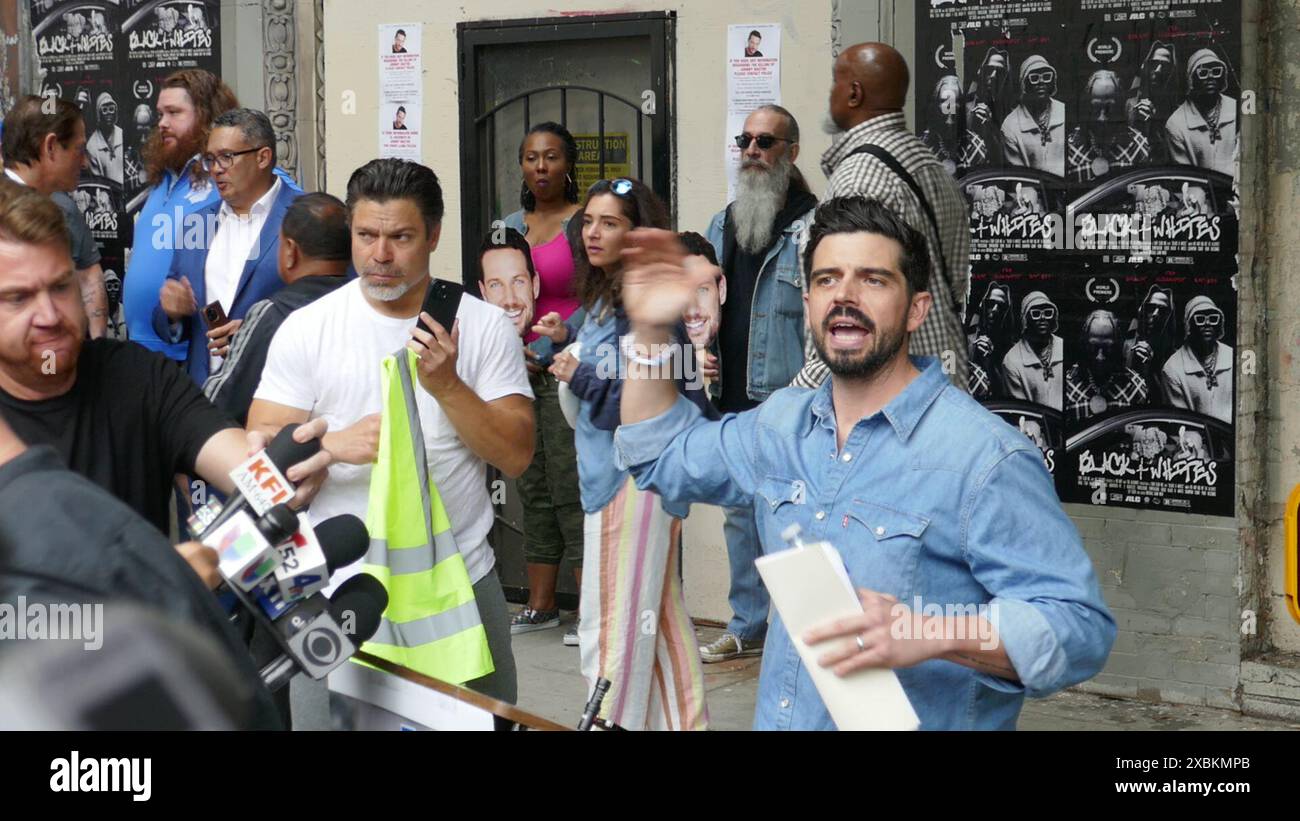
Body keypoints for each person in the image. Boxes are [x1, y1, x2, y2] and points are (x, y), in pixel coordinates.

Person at [611, 196, 1115, 730]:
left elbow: (1079, 628)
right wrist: (647, 328)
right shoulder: (780, 426)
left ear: (916, 309)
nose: (845, 296)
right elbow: (658, 456)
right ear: (807, 303)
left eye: (872, 280)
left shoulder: (983, 457)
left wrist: (929, 633)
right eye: (828, 279)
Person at [247, 158, 534, 704]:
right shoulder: (308, 328)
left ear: (433, 236)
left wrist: (448, 385)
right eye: (365, 235)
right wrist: (330, 446)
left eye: (400, 237)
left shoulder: (483, 326)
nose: (380, 255)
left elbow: (516, 455)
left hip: (457, 581)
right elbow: (256, 450)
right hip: (330, 584)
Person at [0, 178, 330, 537]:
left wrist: (282, 476)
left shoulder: (138, 376)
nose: (49, 315)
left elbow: (241, 464)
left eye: (60, 286)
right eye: (18, 298)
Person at [548, 177, 712, 730]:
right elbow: (590, 341)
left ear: (636, 233)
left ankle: (605, 724)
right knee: (657, 621)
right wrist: (558, 333)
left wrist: (583, 375)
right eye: (589, 221)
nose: (593, 232)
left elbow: (643, 399)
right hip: (619, 480)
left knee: (612, 623)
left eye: (610, 223)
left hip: (632, 483)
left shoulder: (646, 307)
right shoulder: (603, 297)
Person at [698, 104, 817, 664]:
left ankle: (804, 632)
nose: (751, 151)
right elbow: (694, 307)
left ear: (791, 153)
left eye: (765, 142)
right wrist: (700, 354)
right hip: (733, 404)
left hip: (794, 403)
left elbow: (828, 320)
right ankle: (747, 625)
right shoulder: (720, 225)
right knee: (739, 519)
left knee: (797, 519)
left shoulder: (815, 228)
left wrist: (805, 390)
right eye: (744, 139)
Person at [794, 42, 970, 391]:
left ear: (854, 93)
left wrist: (797, 401)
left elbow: (846, 314)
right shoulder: (926, 163)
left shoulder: (861, 176)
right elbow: (956, 282)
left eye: (835, 83)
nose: (831, 93)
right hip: (939, 379)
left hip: (881, 394)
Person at [123, 69, 300, 360]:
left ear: (205, 115)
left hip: (247, 363)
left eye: (174, 112)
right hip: (162, 354)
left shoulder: (259, 186)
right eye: (160, 114)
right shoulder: (165, 182)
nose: (162, 124)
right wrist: (171, 313)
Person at [501, 122, 585, 643]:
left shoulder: (584, 224)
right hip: (517, 371)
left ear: (568, 164)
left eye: (551, 157)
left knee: (570, 487)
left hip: (566, 370)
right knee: (530, 487)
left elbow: (597, 295)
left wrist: (556, 345)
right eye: (531, 158)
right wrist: (509, 352)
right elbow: (493, 294)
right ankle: (540, 605)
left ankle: (587, 607)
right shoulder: (509, 225)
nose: (541, 168)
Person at [152, 108, 302, 384]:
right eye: (210, 159)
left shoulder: (306, 217)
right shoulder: (195, 224)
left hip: (278, 394)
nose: (216, 169)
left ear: (263, 157)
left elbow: (332, 307)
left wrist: (257, 334)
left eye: (227, 157)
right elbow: (168, 320)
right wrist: (171, 312)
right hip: (206, 397)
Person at [203, 192, 351, 425]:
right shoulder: (366, 306)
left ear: (290, 251)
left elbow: (219, 399)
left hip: (285, 451)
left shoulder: (272, 314)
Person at [0, 95, 110, 338]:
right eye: (79, 149)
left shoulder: (63, 207)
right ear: (50, 147)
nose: (85, 162)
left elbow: (89, 275)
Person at [1066, 70, 1151, 184]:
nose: (1102, 118)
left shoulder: (1138, 147)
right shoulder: (1070, 149)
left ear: (1119, 106)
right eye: (1096, 108)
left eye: (1109, 108)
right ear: (1087, 107)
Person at [1064, 310, 1149, 423]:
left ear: (1118, 346)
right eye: (1093, 347)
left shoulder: (1137, 388)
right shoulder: (1066, 386)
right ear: (1084, 345)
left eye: (1107, 348)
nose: (1100, 357)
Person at [1159, 295, 1233, 422]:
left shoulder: (1233, 357)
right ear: (1189, 326)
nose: (1207, 323)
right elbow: (1180, 421)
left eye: (1213, 319)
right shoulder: (1173, 369)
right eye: (1200, 319)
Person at [1165, 49, 1238, 176]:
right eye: (1203, 73)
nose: (1210, 77)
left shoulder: (1237, 110)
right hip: (1196, 192)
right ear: (1191, 80)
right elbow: (1185, 176)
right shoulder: (1176, 124)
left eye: (1216, 72)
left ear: (1222, 77)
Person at [1001, 55, 1066, 177]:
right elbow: (1018, 177)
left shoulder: (1064, 112)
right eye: (1034, 78)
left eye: (1046, 77)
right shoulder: (1010, 126)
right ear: (1024, 84)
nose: (1041, 82)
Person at [1001, 290, 1063, 410]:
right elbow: (1020, 410)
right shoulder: (1012, 361)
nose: (1043, 318)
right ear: (1026, 320)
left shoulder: (1064, 348)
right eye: (1035, 313)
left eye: (1048, 313)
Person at [1127, 41, 1179, 164]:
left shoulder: (1178, 111)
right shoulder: (1128, 104)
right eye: (1154, 63)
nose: (1158, 70)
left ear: (1171, 71)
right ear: (1145, 66)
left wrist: (1156, 122)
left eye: (1165, 66)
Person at [963, 47, 1014, 170]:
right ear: (981, 72)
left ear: (1006, 77)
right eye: (989, 70)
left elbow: (1009, 163)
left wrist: (991, 130)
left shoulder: (1012, 116)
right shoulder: (964, 109)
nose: (994, 76)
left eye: (1000, 72)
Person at [966, 280, 1016, 400]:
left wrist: (990, 362)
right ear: (983, 305)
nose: (994, 309)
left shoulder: (1012, 349)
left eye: (1001, 306)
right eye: (990, 303)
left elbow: (1009, 394)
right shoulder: (965, 338)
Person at [1124, 284, 1177, 392]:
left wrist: (1150, 368)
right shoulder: (1124, 345)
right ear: (1142, 310)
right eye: (1151, 308)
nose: (1155, 314)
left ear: (1168, 317)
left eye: (1162, 310)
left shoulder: (1174, 357)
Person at [919, 75, 963, 175]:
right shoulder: (919, 148)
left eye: (955, 101)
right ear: (935, 105)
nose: (950, 106)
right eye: (944, 101)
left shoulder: (977, 146)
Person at [86, 92, 123, 184]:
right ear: (99, 114)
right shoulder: (92, 146)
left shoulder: (122, 135)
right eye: (104, 110)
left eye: (111, 109)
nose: (108, 114)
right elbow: (96, 180)